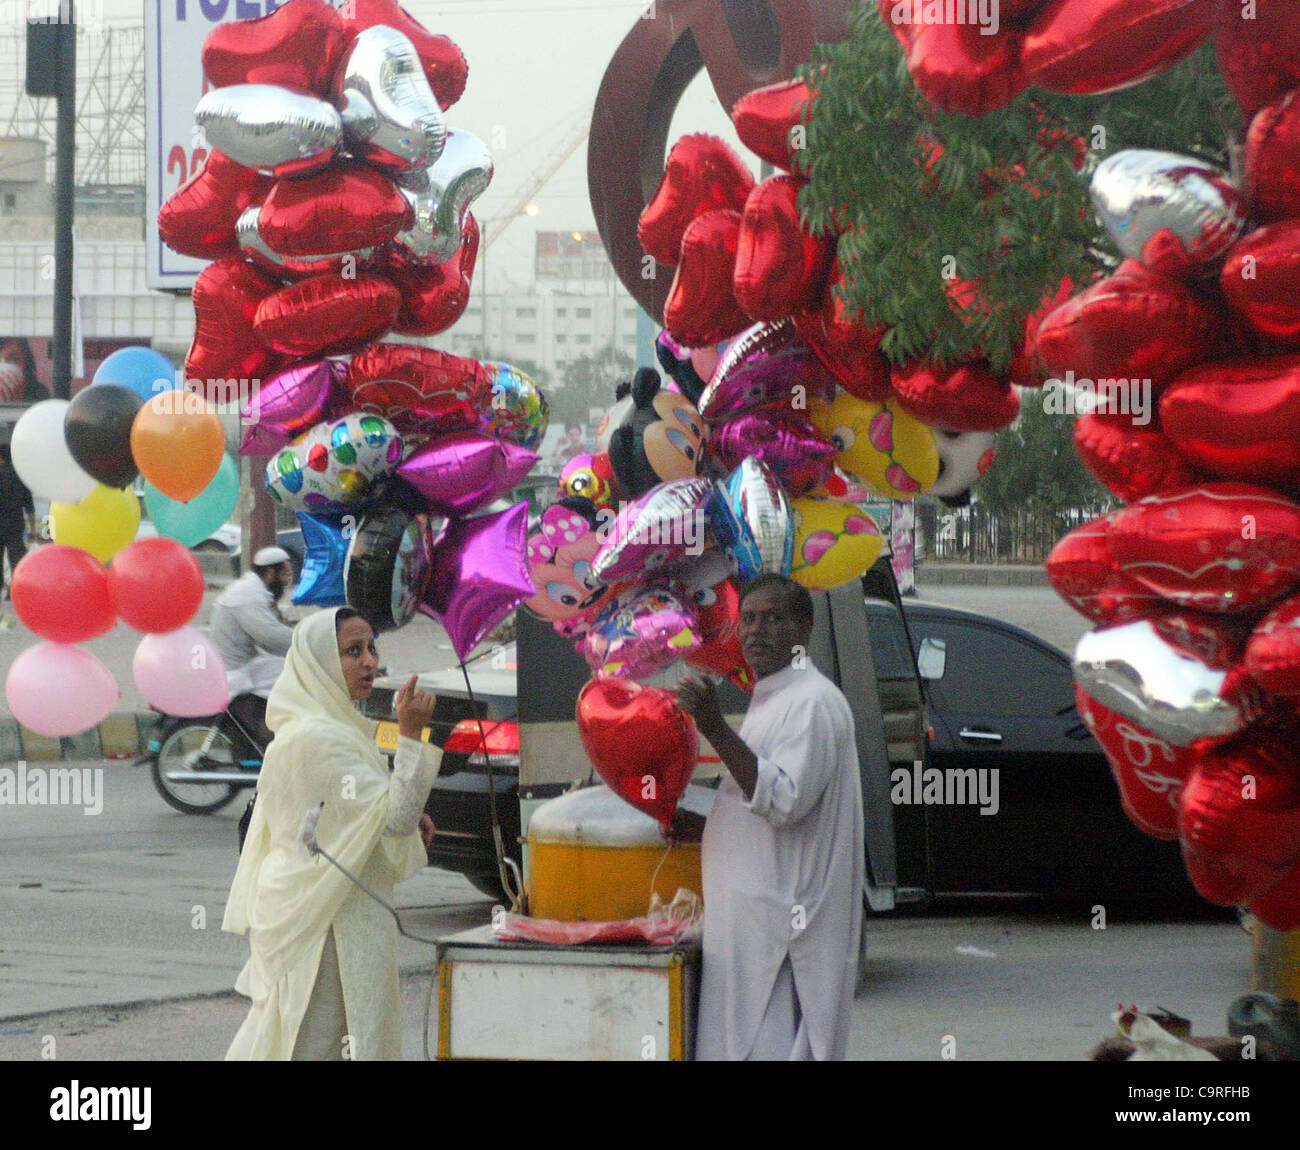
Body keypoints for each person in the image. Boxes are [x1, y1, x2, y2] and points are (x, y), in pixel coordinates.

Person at [223, 607, 440, 1060]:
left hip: (340, 912)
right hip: (325, 924)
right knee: (315, 1041)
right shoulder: (316, 737)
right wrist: (411, 736)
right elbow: (393, 819)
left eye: (371, 648)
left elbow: (368, 813)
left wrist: (397, 809)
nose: (368, 662)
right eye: (351, 651)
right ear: (319, 662)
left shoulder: (337, 729)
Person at [674, 574, 864, 1061]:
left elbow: (781, 801)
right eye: (749, 619)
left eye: (773, 619)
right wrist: (702, 825)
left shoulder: (813, 703)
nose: (756, 631)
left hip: (783, 940)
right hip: (751, 932)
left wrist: (713, 726)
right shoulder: (776, 695)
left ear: (804, 628)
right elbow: (755, 796)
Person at [209, 546, 296, 749]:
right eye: (283, 574)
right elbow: (270, 636)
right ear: (270, 572)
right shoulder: (248, 596)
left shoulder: (251, 590)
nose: (285, 581)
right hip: (236, 670)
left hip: (241, 663)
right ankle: (282, 739)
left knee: (285, 667)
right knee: (297, 673)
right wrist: (306, 643)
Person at [0, 443, 34, 599]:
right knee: (16, 559)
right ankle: (14, 591)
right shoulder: (19, 475)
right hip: (15, 523)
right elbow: (29, 504)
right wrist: (33, 529)